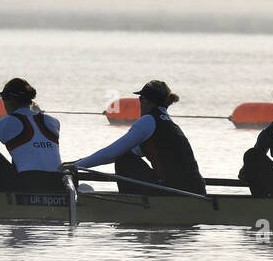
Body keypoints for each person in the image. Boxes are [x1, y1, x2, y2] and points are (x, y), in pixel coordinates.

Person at [65, 80, 206, 195]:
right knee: (126, 156)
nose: (139, 102)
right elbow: (132, 152)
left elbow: (112, 153)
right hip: (196, 189)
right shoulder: (167, 124)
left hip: (177, 193)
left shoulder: (148, 121)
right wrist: (79, 161)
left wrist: (76, 166)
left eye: (140, 98)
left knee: (122, 159)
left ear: (148, 101)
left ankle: (130, 206)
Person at [0, 78, 63, 191]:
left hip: (28, 186)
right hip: (58, 184)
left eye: (3, 99)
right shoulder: (54, 122)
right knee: (20, 154)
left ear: (10, 100)